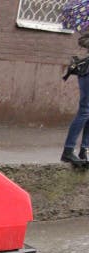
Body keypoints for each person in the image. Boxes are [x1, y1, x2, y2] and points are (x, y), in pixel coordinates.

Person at [62, 33, 89, 166]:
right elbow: (82, 40)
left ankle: (85, 150)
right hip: (87, 72)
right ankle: (68, 150)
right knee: (85, 111)